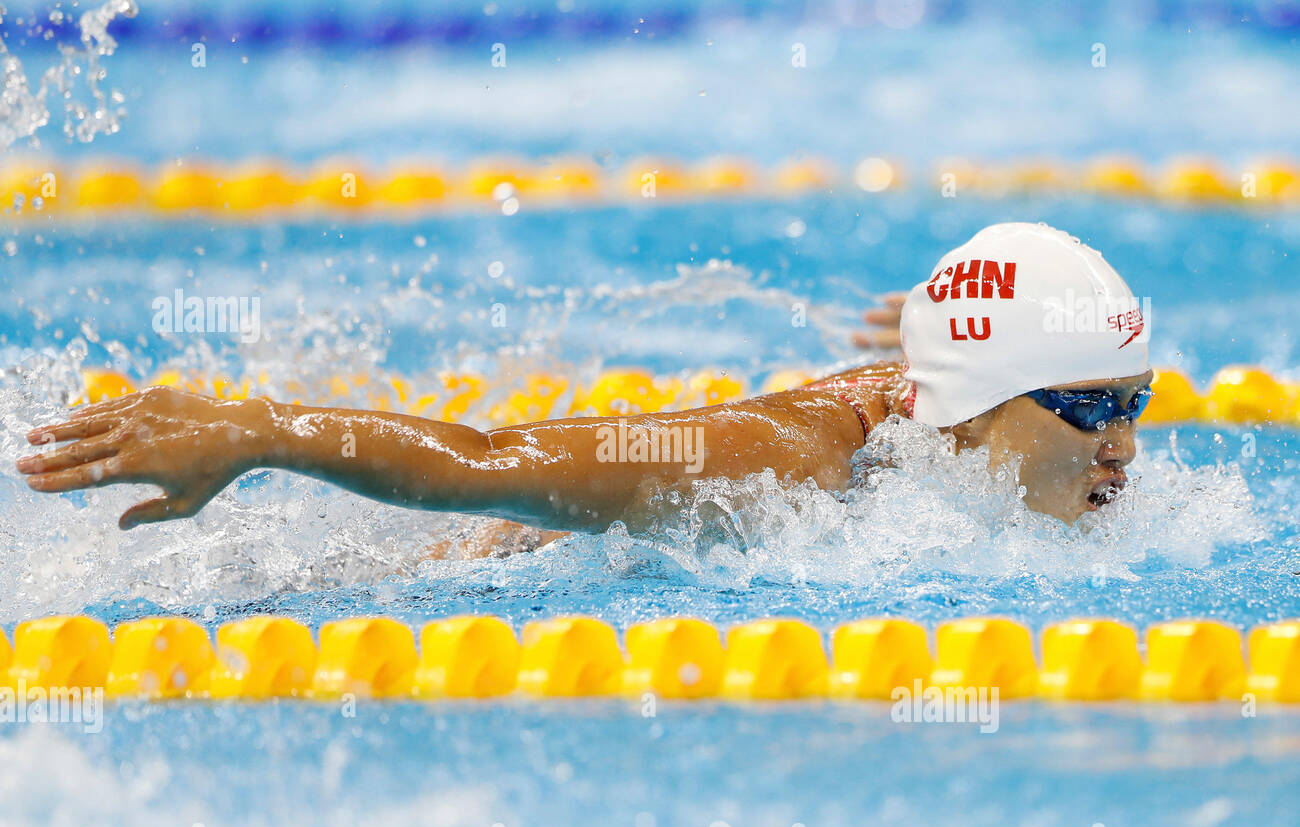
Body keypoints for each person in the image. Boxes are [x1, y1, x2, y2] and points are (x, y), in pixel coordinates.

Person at [17, 223, 1152, 548]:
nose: (1124, 449)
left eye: (1134, 403)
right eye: (1093, 408)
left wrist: (934, 324)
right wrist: (256, 428)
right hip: (426, 583)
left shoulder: (948, 410)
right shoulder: (783, 458)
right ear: (965, 404)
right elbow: (488, 464)